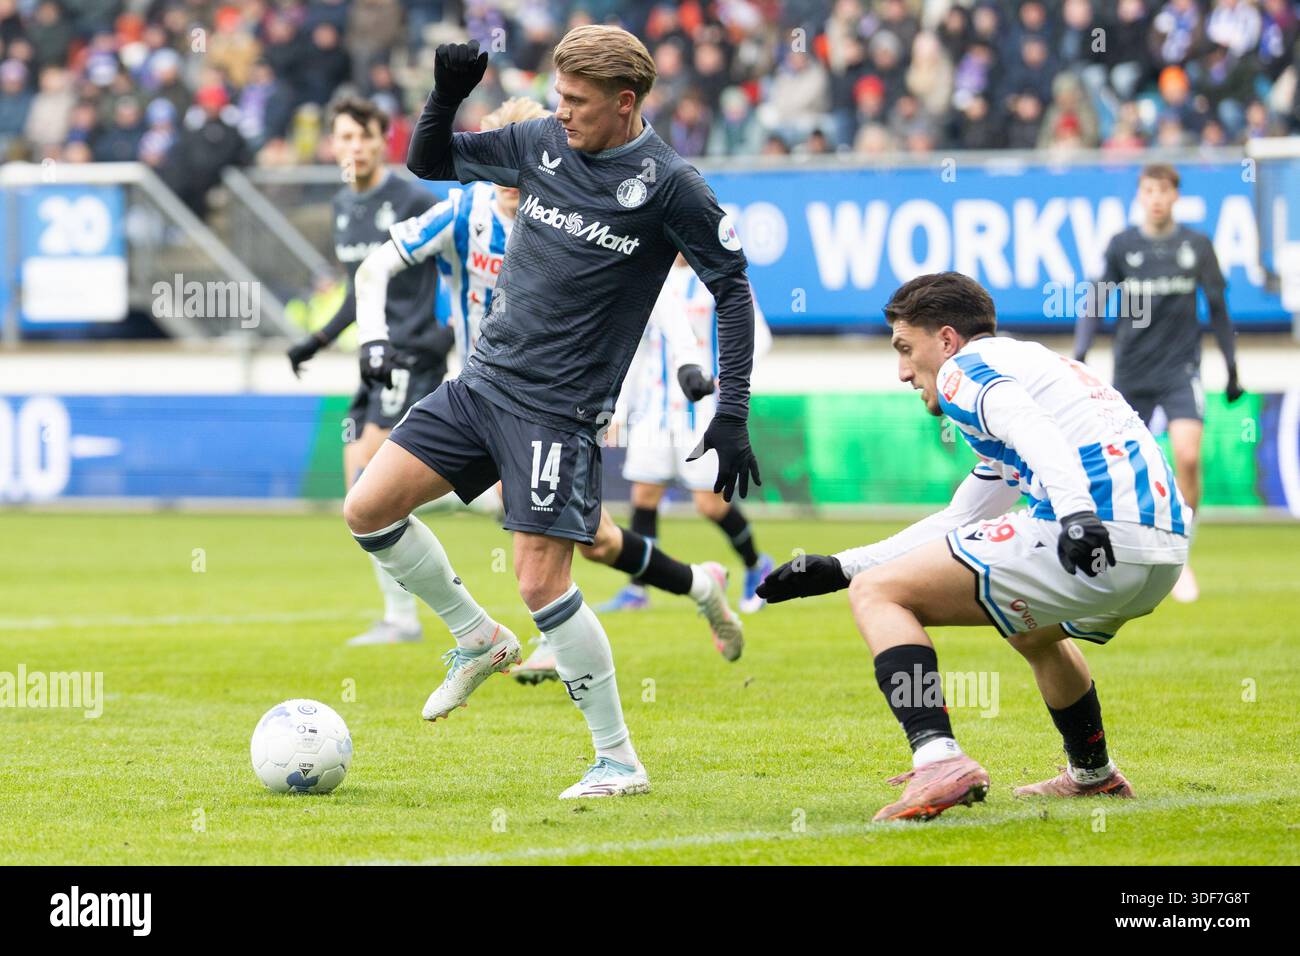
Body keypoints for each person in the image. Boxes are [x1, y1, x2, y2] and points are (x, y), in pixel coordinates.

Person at [343, 28, 760, 799]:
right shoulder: (539, 142)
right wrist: (445, 93)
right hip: (480, 384)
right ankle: (477, 637)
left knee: (542, 583)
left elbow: (732, 288)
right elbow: (431, 161)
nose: (560, 112)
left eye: (576, 101)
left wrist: (730, 411)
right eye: (558, 96)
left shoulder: (672, 186)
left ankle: (617, 759)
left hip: (557, 412)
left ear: (625, 102)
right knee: (367, 509)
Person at [758, 272, 1188, 822]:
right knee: (1030, 628)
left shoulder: (967, 371)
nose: (902, 372)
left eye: (906, 349)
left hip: (1097, 527)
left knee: (879, 596)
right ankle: (1093, 774)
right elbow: (962, 516)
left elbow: (1031, 426)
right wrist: (841, 566)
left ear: (946, 340)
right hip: (1161, 549)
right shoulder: (1031, 368)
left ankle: (937, 758)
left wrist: (1077, 514)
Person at [285, 96, 454, 646]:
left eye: (364, 137)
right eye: (344, 137)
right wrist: (317, 340)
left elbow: (456, 265)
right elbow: (364, 289)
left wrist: (449, 331)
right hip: (375, 358)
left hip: (413, 355)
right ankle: (399, 614)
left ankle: (406, 617)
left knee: (374, 485)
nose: (353, 147)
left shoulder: (411, 198)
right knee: (358, 485)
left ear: (384, 141)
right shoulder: (342, 207)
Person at [1074, 163, 1243, 603]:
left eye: (1163, 190)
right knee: (1117, 469)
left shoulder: (1197, 245)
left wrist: (1232, 369)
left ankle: (1181, 553)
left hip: (1180, 370)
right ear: (1140, 196)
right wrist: (1080, 355)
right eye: (1148, 190)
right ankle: (1110, 557)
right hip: (1130, 372)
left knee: (1187, 456)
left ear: (1175, 196)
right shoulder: (1122, 245)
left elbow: (1219, 308)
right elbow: (1095, 300)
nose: (1156, 198)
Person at [601, 253, 774, 615]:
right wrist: (619, 406)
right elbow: (636, 349)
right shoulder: (649, 276)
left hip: (702, 412)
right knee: (644, 495)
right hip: (655, 410)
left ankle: (756, 563)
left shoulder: (720, 279)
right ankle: (638, 588)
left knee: (709, 504)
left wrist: (731, 378)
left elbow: (759, 337)